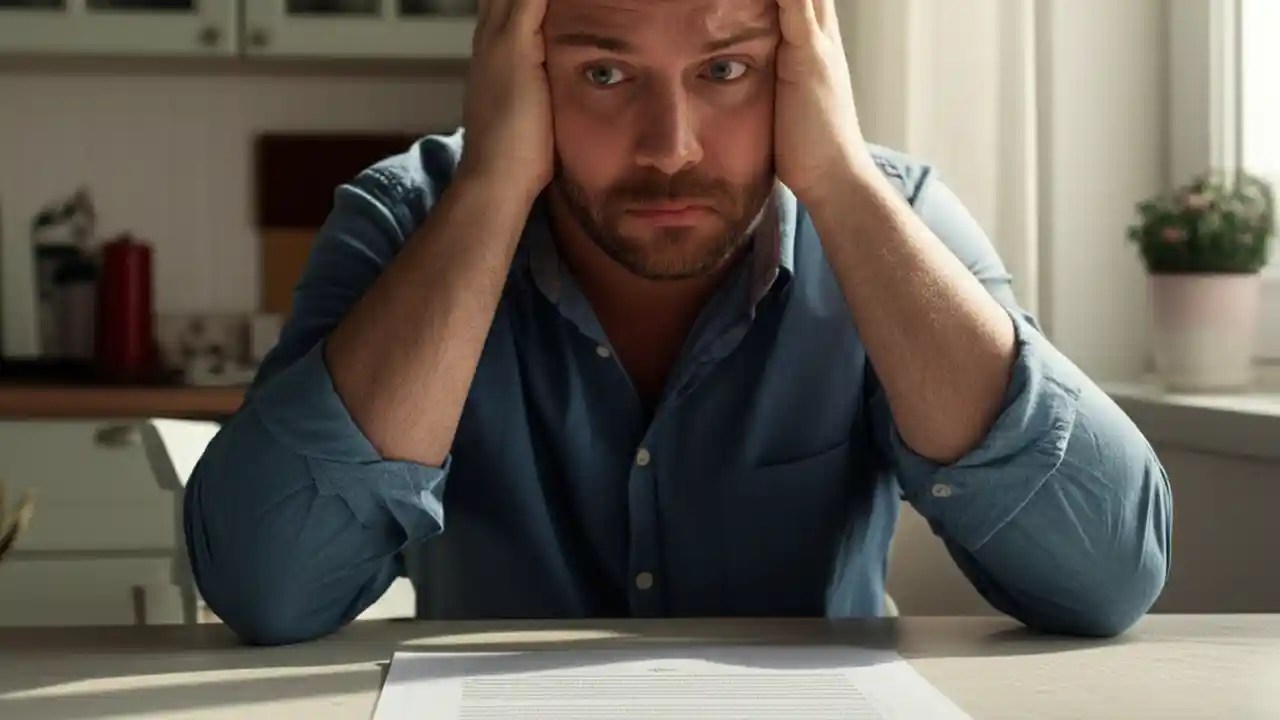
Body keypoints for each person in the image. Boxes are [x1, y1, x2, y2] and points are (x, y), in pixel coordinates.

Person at [185, 0, 1172, 646]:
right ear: (515, 73)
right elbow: (270, 588)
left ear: (803, 68)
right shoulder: (409, 220)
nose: (670, 148)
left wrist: (834, 181)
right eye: (604, 75)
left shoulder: (888, 215)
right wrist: (491, 191)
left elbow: (1105, 575)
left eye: (725, 71)